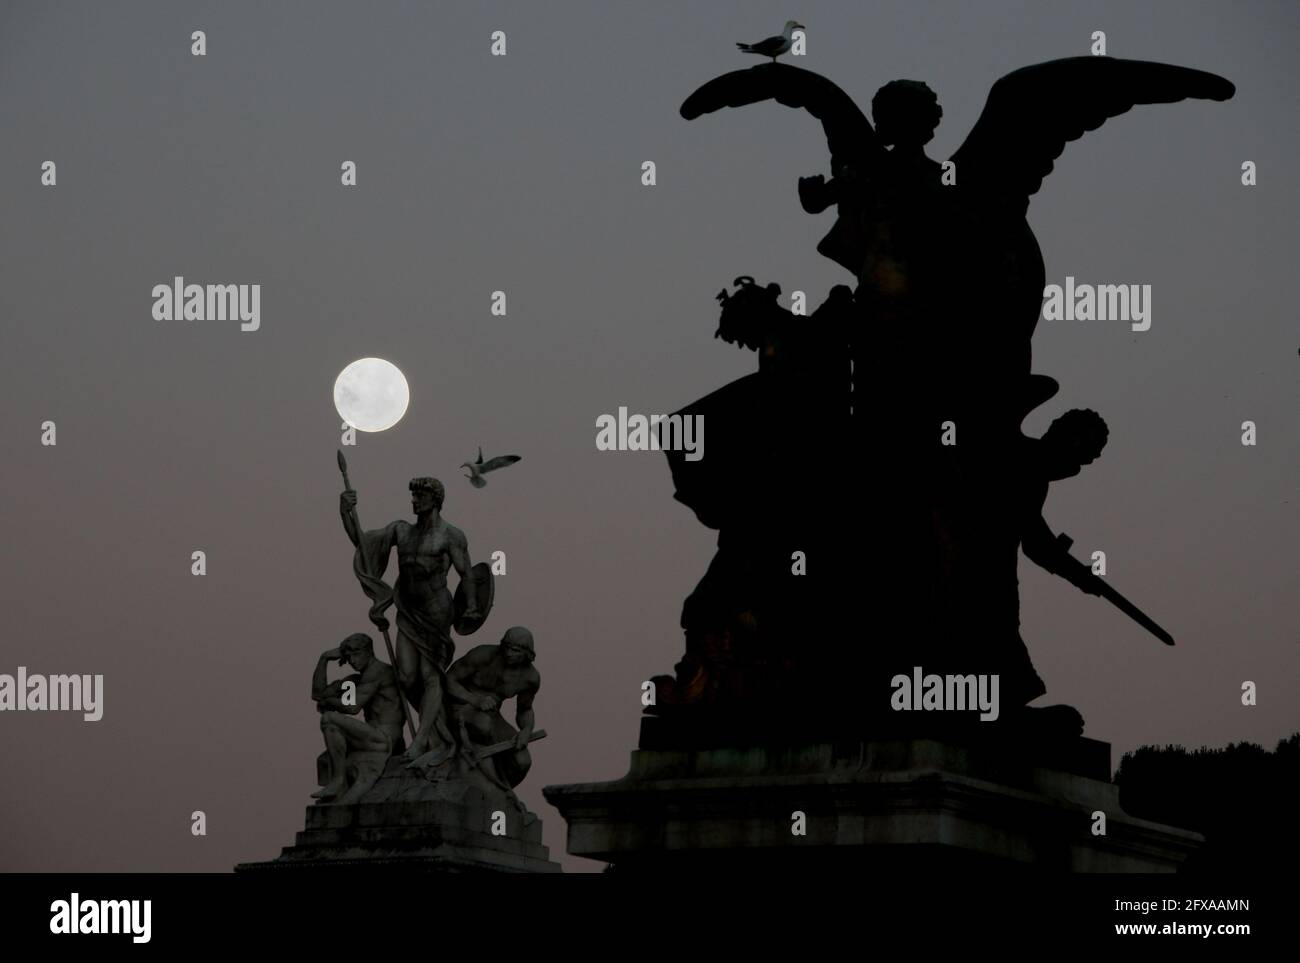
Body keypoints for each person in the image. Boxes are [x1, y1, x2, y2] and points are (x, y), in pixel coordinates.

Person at [341, 477, 480, 764]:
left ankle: (421, 741)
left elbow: (466, 574)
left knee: (430, 676)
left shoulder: (450, 535)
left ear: (435, 499)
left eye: (420, 496)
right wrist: (345, 511)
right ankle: (440, 729)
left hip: (437, 612)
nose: (414, 501)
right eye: (413, 496)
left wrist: (473, 606)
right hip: (407, 612)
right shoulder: (401, 530)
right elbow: (363, 544)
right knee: (406, 676)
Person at [311, 633, 403, 803]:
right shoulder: (356, 681)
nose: (352, 660)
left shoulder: (380, 671)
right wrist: (323, 659)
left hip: (385, 738)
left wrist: (329, 702)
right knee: (331, 727)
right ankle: (339, 782)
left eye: (356, 653)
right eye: (348, 656)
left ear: (369, 651)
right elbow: (318, 695)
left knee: (330, 719)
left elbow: (352, 708)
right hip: (373, 736)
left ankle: (338, 780)